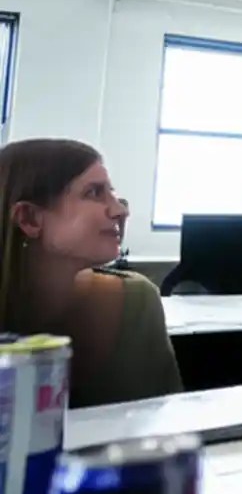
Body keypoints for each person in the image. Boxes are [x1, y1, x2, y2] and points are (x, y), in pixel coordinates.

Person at [0, 139, 181, 408]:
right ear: (29, 218)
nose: (121, 210)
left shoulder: (137, 301)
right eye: (94, 193)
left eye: (112, 192)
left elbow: (165, 420)